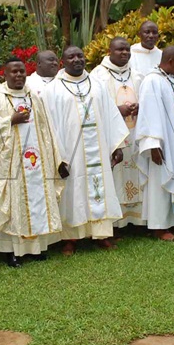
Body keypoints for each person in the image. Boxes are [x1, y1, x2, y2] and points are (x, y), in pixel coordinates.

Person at [0, 57, 66, 266]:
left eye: (21, 72)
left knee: (37, 201)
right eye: (14, 72)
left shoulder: (34, 98)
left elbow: (47, 129)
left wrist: (56, 158)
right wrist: (10, 120)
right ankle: (11, 251)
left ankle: (35, 248)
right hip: (10, 164)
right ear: (5, 74)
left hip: (36, 163)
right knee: (12, 204)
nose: (18, 76)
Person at [43, 46, 129, 254]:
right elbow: (49, 127)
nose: (76, 60)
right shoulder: (52, 90)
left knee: (101, 189)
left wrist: (117, 145)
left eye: (80, 56)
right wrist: (58, 158)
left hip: (98, 151)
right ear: (63, 62)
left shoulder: (97, 85)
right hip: (70, 154)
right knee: (73, 192)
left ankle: (100, 234)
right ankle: (70, 238)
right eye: (71, 57)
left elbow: (111, 116)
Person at [133, 46, 174, 240]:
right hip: (163, 144)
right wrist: (153, 144)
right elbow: (148, 114)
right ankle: (159, 226)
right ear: (171, 61)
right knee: (161, 183)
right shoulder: (151, 81)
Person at [90, 37, 145, 226]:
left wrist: (140, 107)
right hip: (113, 137)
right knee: (114, 176)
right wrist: (117, 110)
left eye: (127, 50)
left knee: (137, 173)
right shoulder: (98, 75)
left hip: (135, 134)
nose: (125, 53)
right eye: (120, 50)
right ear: (109, 51)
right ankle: (116, 223)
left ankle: (138, 220)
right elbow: (94, 105)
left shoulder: (136, 75)